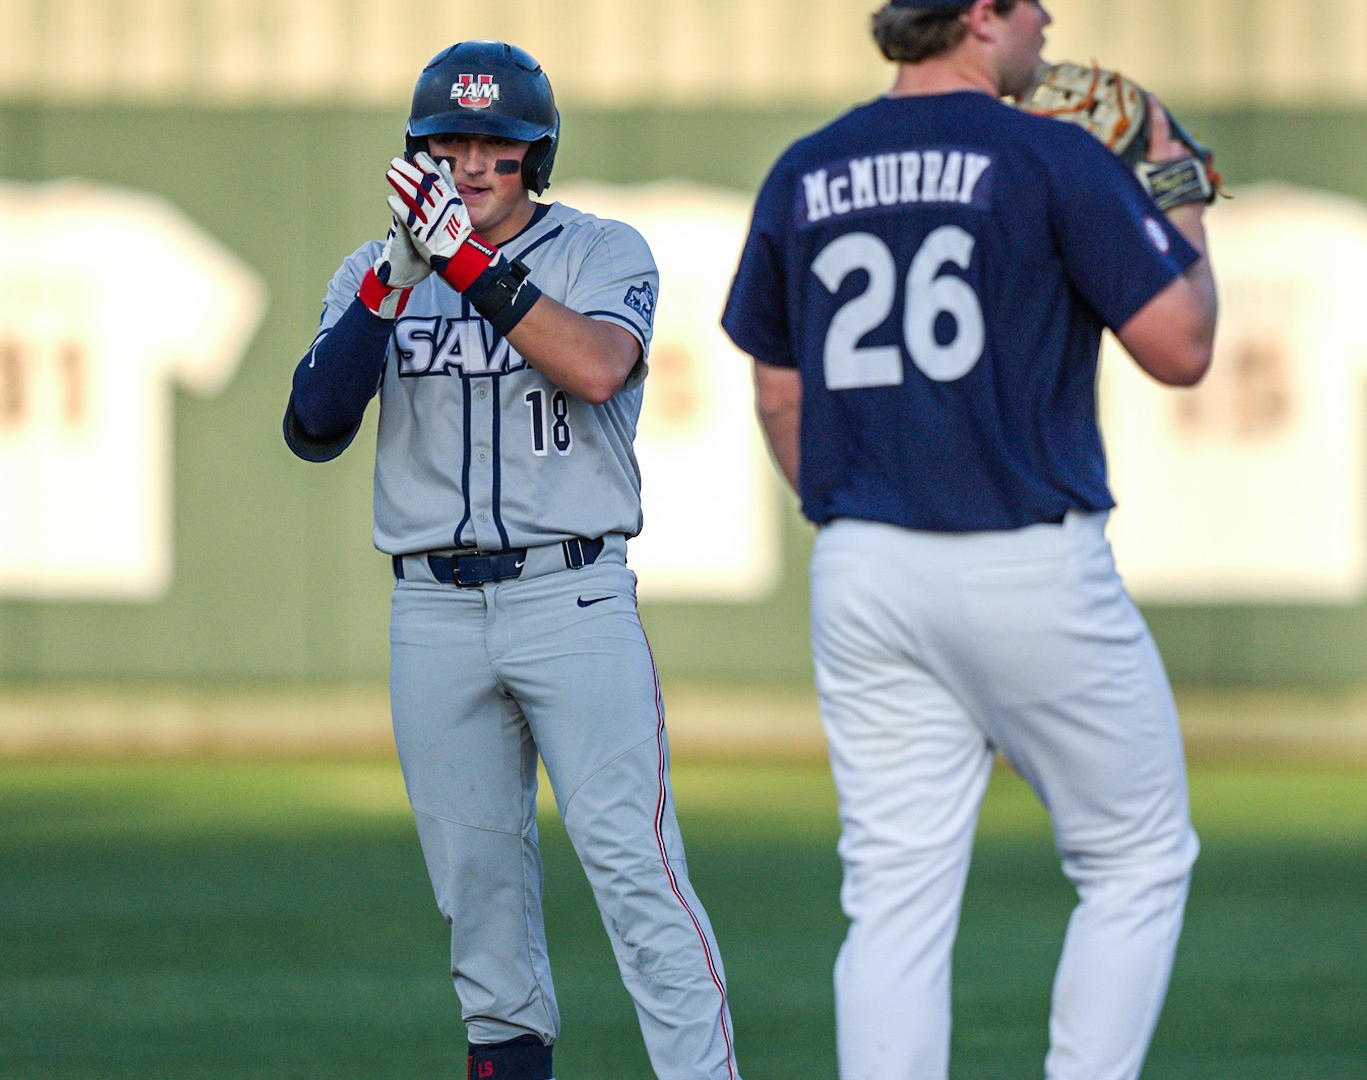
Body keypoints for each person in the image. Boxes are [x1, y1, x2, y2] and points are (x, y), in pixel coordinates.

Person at [720, 3, 1218, 1079]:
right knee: (1136, 857)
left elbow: (774, 386)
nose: (1047, 20)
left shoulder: (807, 168)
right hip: (1021, 552)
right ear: (981, 17)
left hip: (862, 562)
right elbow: (1180, 348)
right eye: (1030, 1)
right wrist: (1176, 184)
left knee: (894, 898)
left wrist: (859, 514)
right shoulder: (1049, 154)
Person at [282, 39, 742, 1080]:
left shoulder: (603, 249)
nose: (473, 160)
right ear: (420, 150)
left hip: (568, 595)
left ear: (537, 154)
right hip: (432, 610)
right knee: (478, 894)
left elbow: (593, 366)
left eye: (499, 142)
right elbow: (313, 423)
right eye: (452, 140)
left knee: (636, 876)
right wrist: (396, 282)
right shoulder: (372, 267)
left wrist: (468, 264)